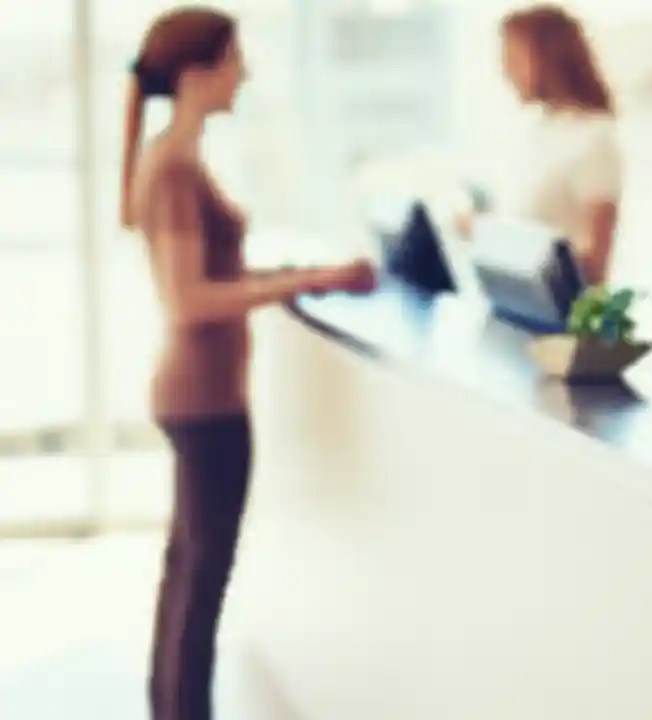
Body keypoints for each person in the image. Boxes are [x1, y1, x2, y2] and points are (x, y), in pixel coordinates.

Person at [120, 8, 376, 719]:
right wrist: (309, 283)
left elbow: (212, 273)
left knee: (189, 579)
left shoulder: (178, 158)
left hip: (203, 398)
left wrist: (299, 271)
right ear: (199, 74)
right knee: (200, 586)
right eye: (235, 60)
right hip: (202, 401)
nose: (246, 75)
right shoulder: (172, 166)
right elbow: (189, 300)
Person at [462, 4, 622, 286]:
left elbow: (594, 265)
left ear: (550, 60)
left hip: (559, 316)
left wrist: (499, 242)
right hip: (517, 300)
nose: (506, 71)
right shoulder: (538, 132)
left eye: (513, 59)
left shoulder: (594, 139)